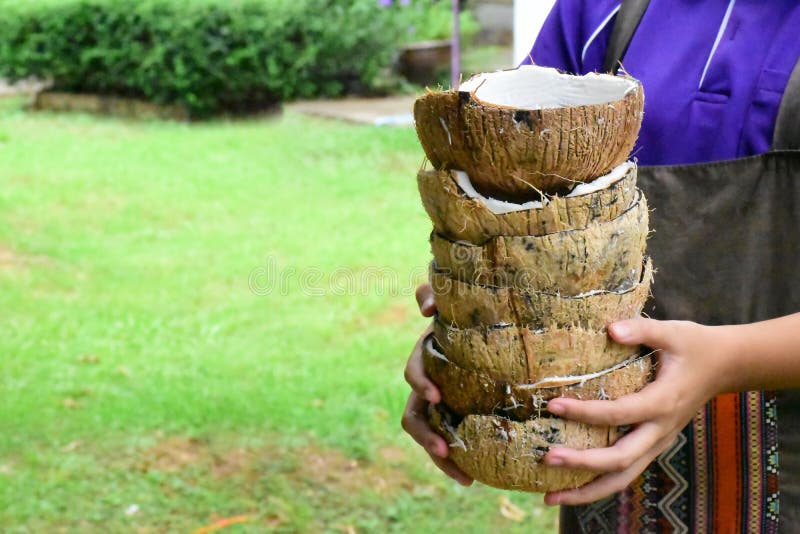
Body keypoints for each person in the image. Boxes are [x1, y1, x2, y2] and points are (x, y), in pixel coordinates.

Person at [401, 1, 800, 532]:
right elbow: (511, 195)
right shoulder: (603, 9)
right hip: (604, 476)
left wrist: (728, 360)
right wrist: (471, 326)